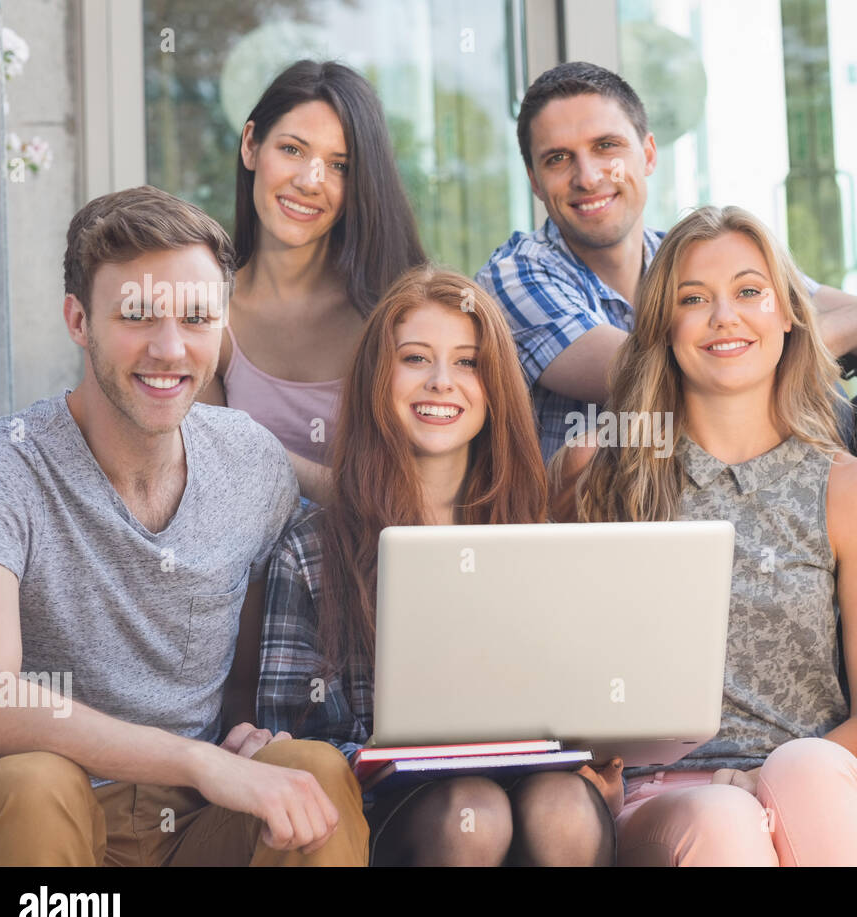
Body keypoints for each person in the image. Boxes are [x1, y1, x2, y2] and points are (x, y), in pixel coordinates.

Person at [0, 186, 367, 866]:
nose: (169, 347)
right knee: (32, 781)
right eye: (137, 315)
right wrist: (198, 761)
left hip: (199, 827)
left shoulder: (249, 461)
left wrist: (255, 738)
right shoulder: (0, 467)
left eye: (195, 317)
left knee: (315, 774)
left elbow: (341, 547)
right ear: (78, 320)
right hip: (57, 823)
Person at [554, 205, 857, 866]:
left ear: (788, 315)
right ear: (664, 325)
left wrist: (766, 780)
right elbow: (552, 671)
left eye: (750, 292)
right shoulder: (595, 471)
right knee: (723, 822)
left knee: (803, 772)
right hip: (664, 802)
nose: (725, 317)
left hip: (825, 788)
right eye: (694, 299)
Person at [257, 264, 619, 866]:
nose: (442, 382)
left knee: (565, 804)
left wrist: (596, 748)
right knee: (472, 813)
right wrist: (378, 757)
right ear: (379, 378)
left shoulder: (540, 542)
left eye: (468, 362)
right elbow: (288, 734)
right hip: (392, 809)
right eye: (416, 359)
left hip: (533, 785)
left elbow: (576, 695)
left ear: (495, 386)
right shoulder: (311, 548)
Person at [477, 61, 857, 467]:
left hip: (745, 490)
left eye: (606, 147)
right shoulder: (515, 275)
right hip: (618, 523)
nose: (588, 176)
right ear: (535, 181)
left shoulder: (697, 253)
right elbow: (664, 376)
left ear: (648, 153)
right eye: (558, 159)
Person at [198, 60, 428, 503]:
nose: (309, 181)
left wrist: (261, 453)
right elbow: (209, 487)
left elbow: (413, 496)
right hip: (251, 569)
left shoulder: (397, 313)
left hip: (378, 565)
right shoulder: (209, 317)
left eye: (339, 165)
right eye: (292, 150)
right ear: (250, 145)